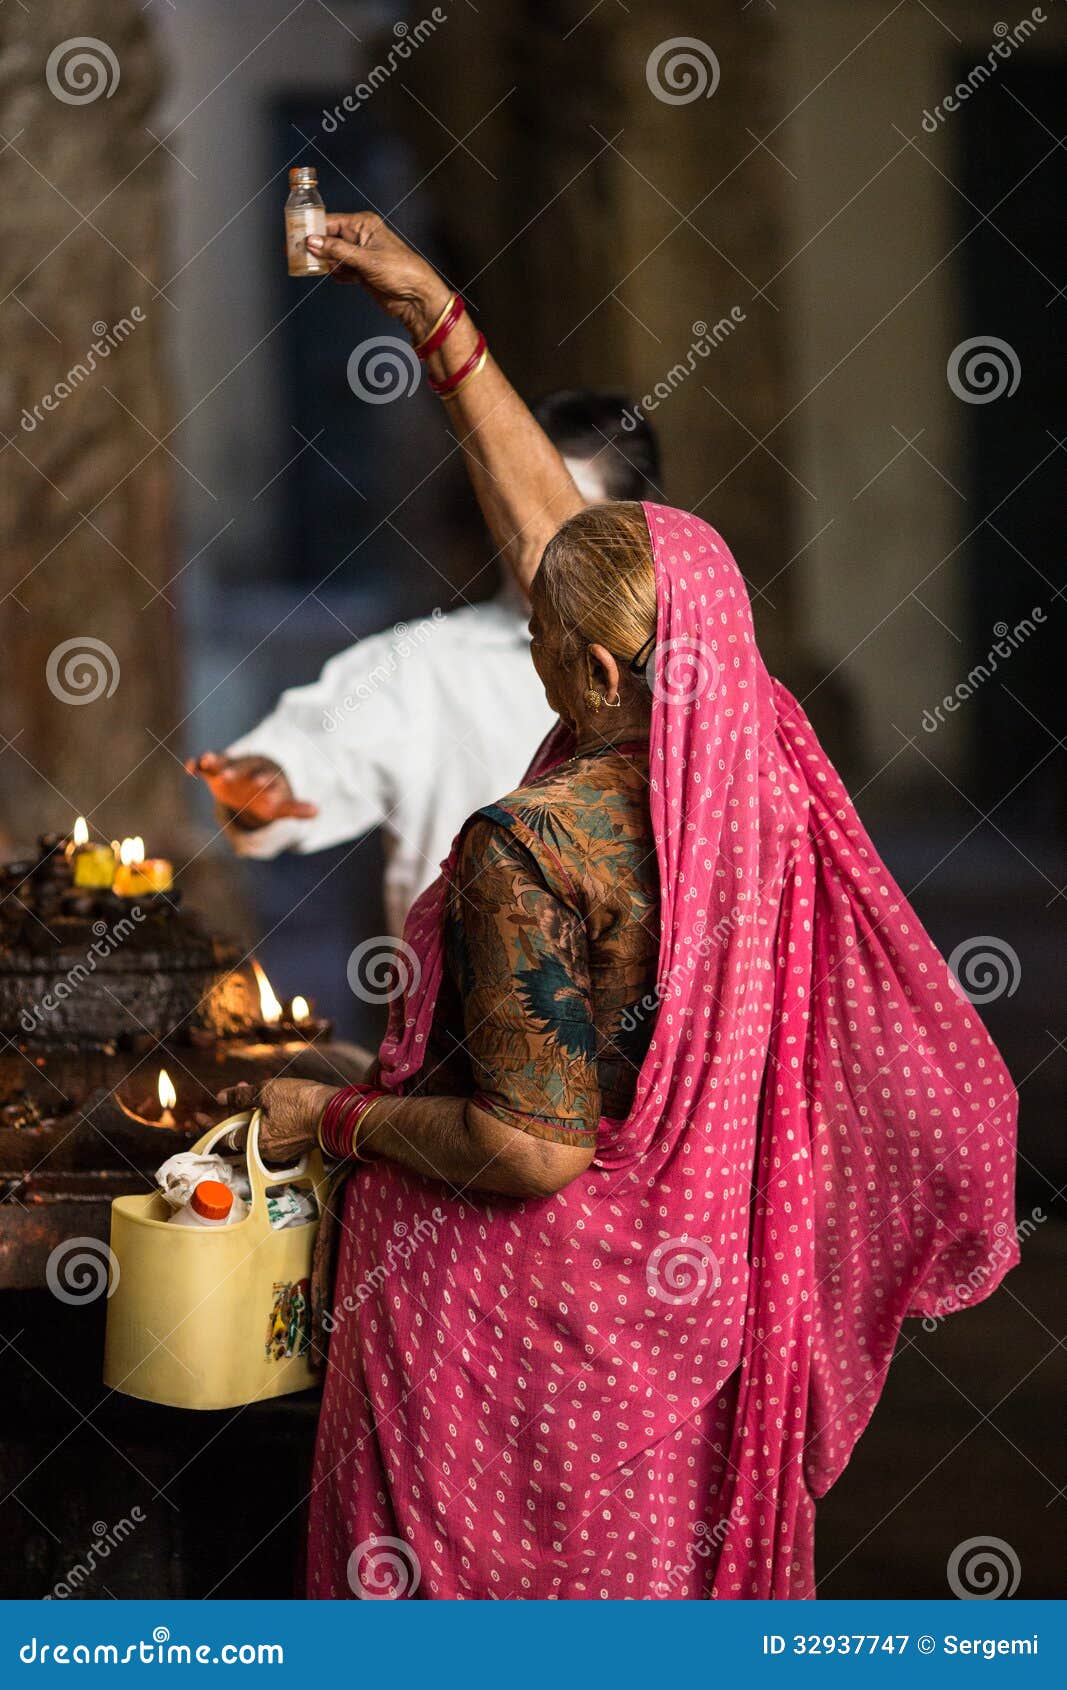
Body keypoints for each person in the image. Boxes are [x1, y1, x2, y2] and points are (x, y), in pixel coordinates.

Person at [221, 215, 1019, 1600]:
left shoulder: (528, 848)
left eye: (541, 641)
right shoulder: (765, 774)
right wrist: (435, 316)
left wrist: (332, 1114)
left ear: (592, 670)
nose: (524, 656)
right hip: (688, 1316)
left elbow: (527, 1153)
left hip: (507, 1335)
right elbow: (571, 555)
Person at [187, 392, 661, 937]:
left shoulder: (683, 672)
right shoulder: (425, 664)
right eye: (520, 503)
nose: (540, 536)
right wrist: (267, 786)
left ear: (632, 532)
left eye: (563, 512)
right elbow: (306, 759)